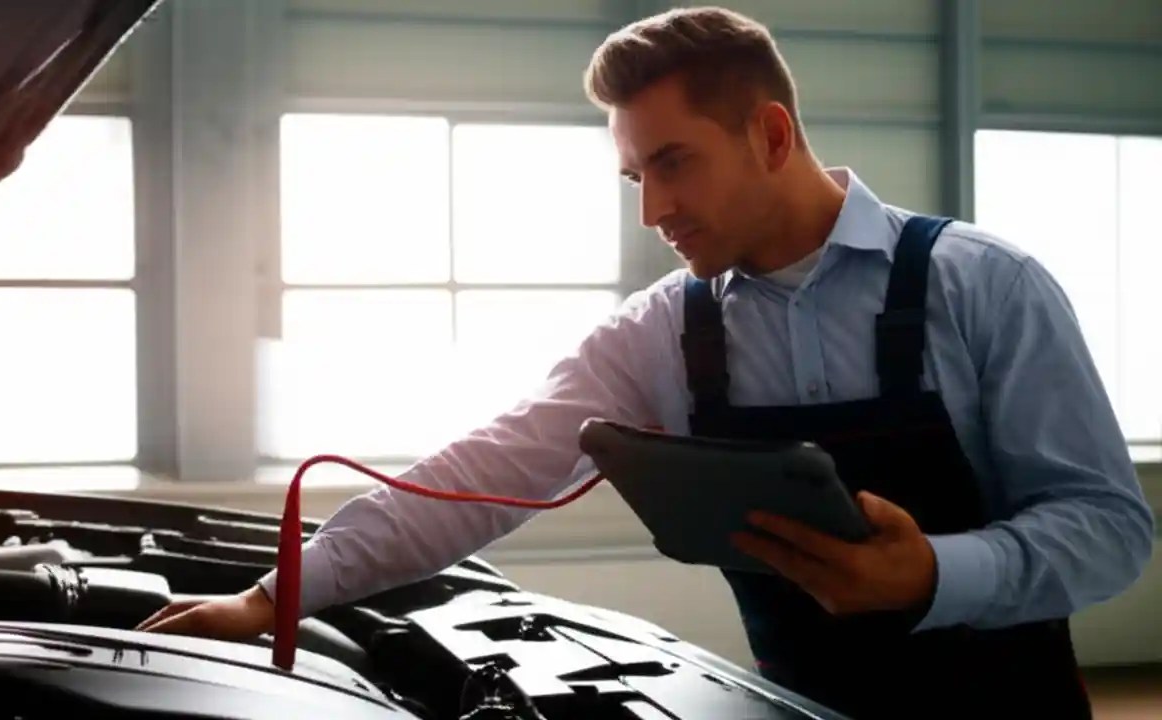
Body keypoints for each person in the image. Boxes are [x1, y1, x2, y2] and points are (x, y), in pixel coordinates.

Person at [137, 7, 1154, 717]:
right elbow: (476, 476)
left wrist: (935, 572)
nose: (651, 210)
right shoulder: (660, 333)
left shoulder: (984, 287)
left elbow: (1107, 529)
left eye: (672, 163)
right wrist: (271, 600)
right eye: (633, 174)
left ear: (767, 133)